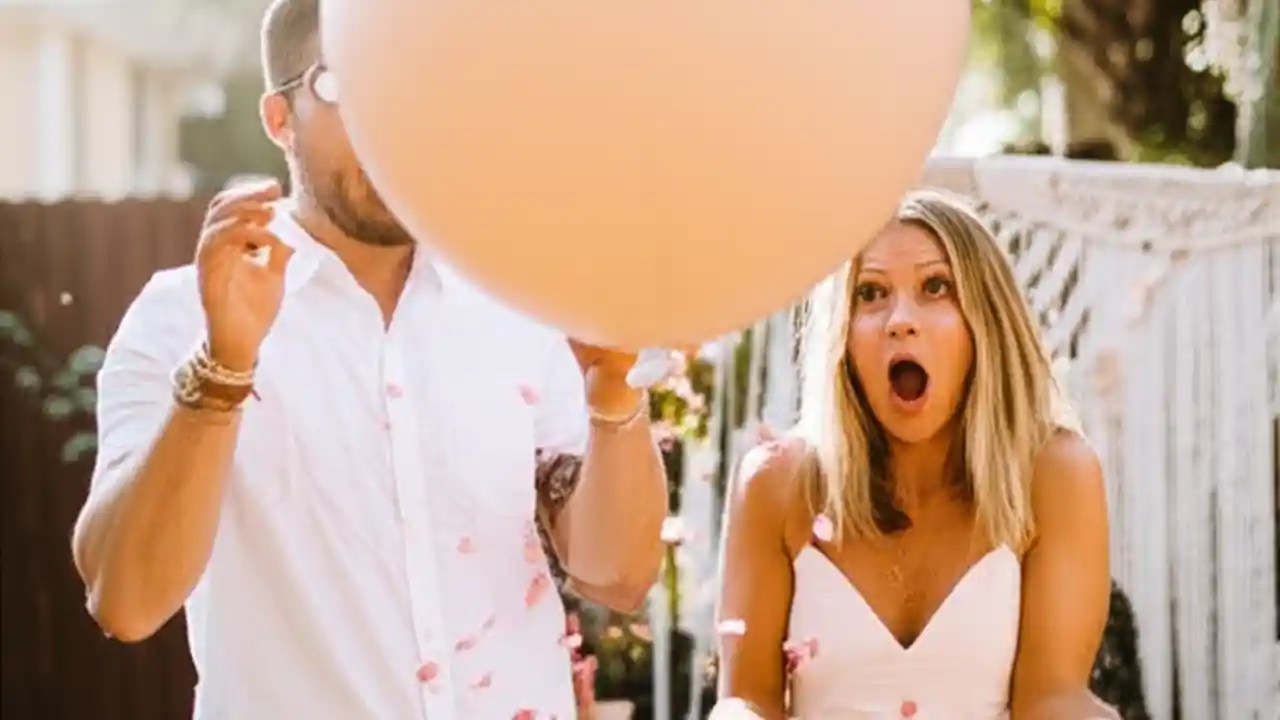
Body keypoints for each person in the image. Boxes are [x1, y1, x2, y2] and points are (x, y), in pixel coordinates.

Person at [70, 1, 669, 717]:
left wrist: (612, 398)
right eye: (347, 88)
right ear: (279, 119)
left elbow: (619, 574)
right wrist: (223, 370)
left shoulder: (520, 303)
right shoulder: (181, 317)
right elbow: (125, 600)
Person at [713, 190, 1118, 719]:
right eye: (871, 293)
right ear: (843, 336)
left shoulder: (1055, 472)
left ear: (985, 322)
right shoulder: (776, 484)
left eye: (935, 287)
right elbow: (746, 699)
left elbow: (1053, 697)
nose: (900, 319)